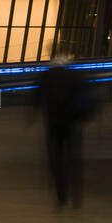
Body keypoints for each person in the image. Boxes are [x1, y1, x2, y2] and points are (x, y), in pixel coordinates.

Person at [35, 55, 96, 209]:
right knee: (73, 158)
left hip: (53, 124)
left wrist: (30, 116)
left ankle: (61, 196)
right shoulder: (75, 76)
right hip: (72, 123)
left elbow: (36, 98)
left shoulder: (46, 76)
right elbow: (88, 97)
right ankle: (76, 194)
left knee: (56, 159)